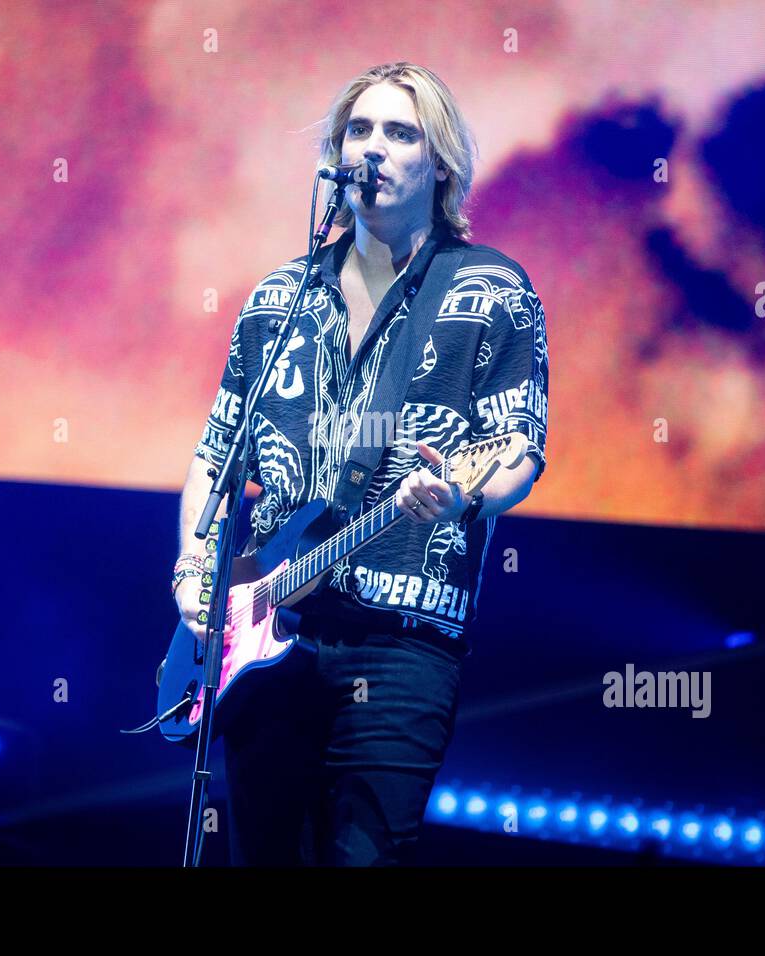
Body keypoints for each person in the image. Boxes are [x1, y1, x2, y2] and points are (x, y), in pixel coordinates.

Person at [174, 62, 549, 865]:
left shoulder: (491, 291)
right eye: (359, 131)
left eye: (400, 132)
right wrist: (194, 561)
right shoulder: (280, 299)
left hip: (401, 639)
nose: (372, 149)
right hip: (267, 631)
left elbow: (517, 450)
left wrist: (462, 501)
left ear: (440, 163)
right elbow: (215, 458)